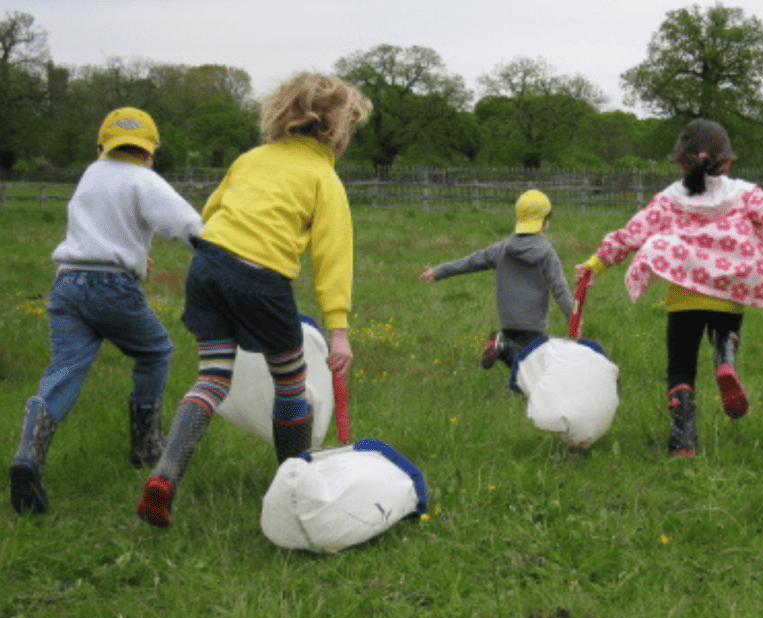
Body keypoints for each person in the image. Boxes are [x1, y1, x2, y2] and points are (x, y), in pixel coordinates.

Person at [135, 73, 372, 528]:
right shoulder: (323, 178)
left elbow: (212, 212)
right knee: (292, 384)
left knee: (212, 378)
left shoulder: (250, 159)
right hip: (261, 281)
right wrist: (338, 330)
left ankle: (164, 475)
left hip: (206, 267)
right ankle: (294, 491)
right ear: (338, 131)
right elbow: (333, 258)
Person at [574, 118, 763, 457]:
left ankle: (682, 440)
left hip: (685, 295)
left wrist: (595, 263)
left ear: (681, 163)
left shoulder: (669, 199)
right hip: (729, 292)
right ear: (726, 162)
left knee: (681, 367)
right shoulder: (743, 194)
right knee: (725, 328)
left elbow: (632, 234)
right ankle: (725, 353)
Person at [9, 107, 203, 515]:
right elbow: (186, 225)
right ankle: (146, 445)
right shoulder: (143, 178)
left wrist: (135, 258)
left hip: (68, 284)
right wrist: (215, 252)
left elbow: (100, 231)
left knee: (65, 369)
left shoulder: (90, 176)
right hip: (111, 288)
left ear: (101, 147)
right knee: (156, 352)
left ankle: (28, 456)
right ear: (149, 152)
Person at [419, 189, 573, 371]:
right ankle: (502, 346)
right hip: (532, 324)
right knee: (533, 368)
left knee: (520, 369)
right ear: (545, 222)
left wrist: (439, 271)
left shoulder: (502, 248)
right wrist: (573, 318)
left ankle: (503, 347)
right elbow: (560, 289)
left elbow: (471, 262)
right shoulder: (547, 254)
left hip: (507, 321)